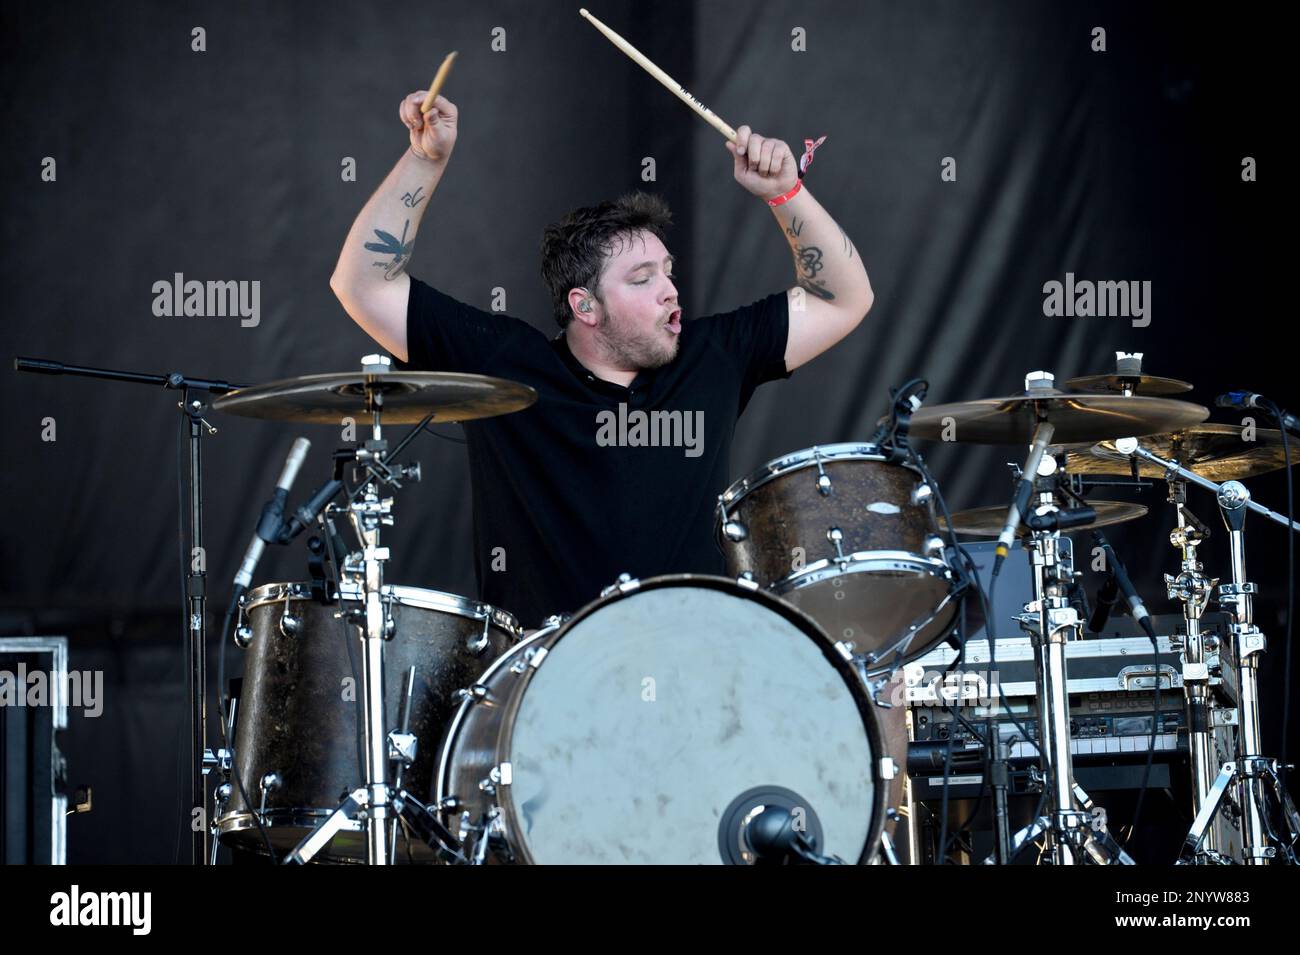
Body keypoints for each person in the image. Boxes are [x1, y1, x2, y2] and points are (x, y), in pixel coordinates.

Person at [330, 90, 875, 628]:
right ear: (585, 305)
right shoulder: (507, 366)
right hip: (544, 680)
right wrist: (425, 159)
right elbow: (363, 284)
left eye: (668, 272)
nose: (670, 291)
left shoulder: (713, 356)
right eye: (643, 279)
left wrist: (785, 192)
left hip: (699, 666)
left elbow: (844, 299)